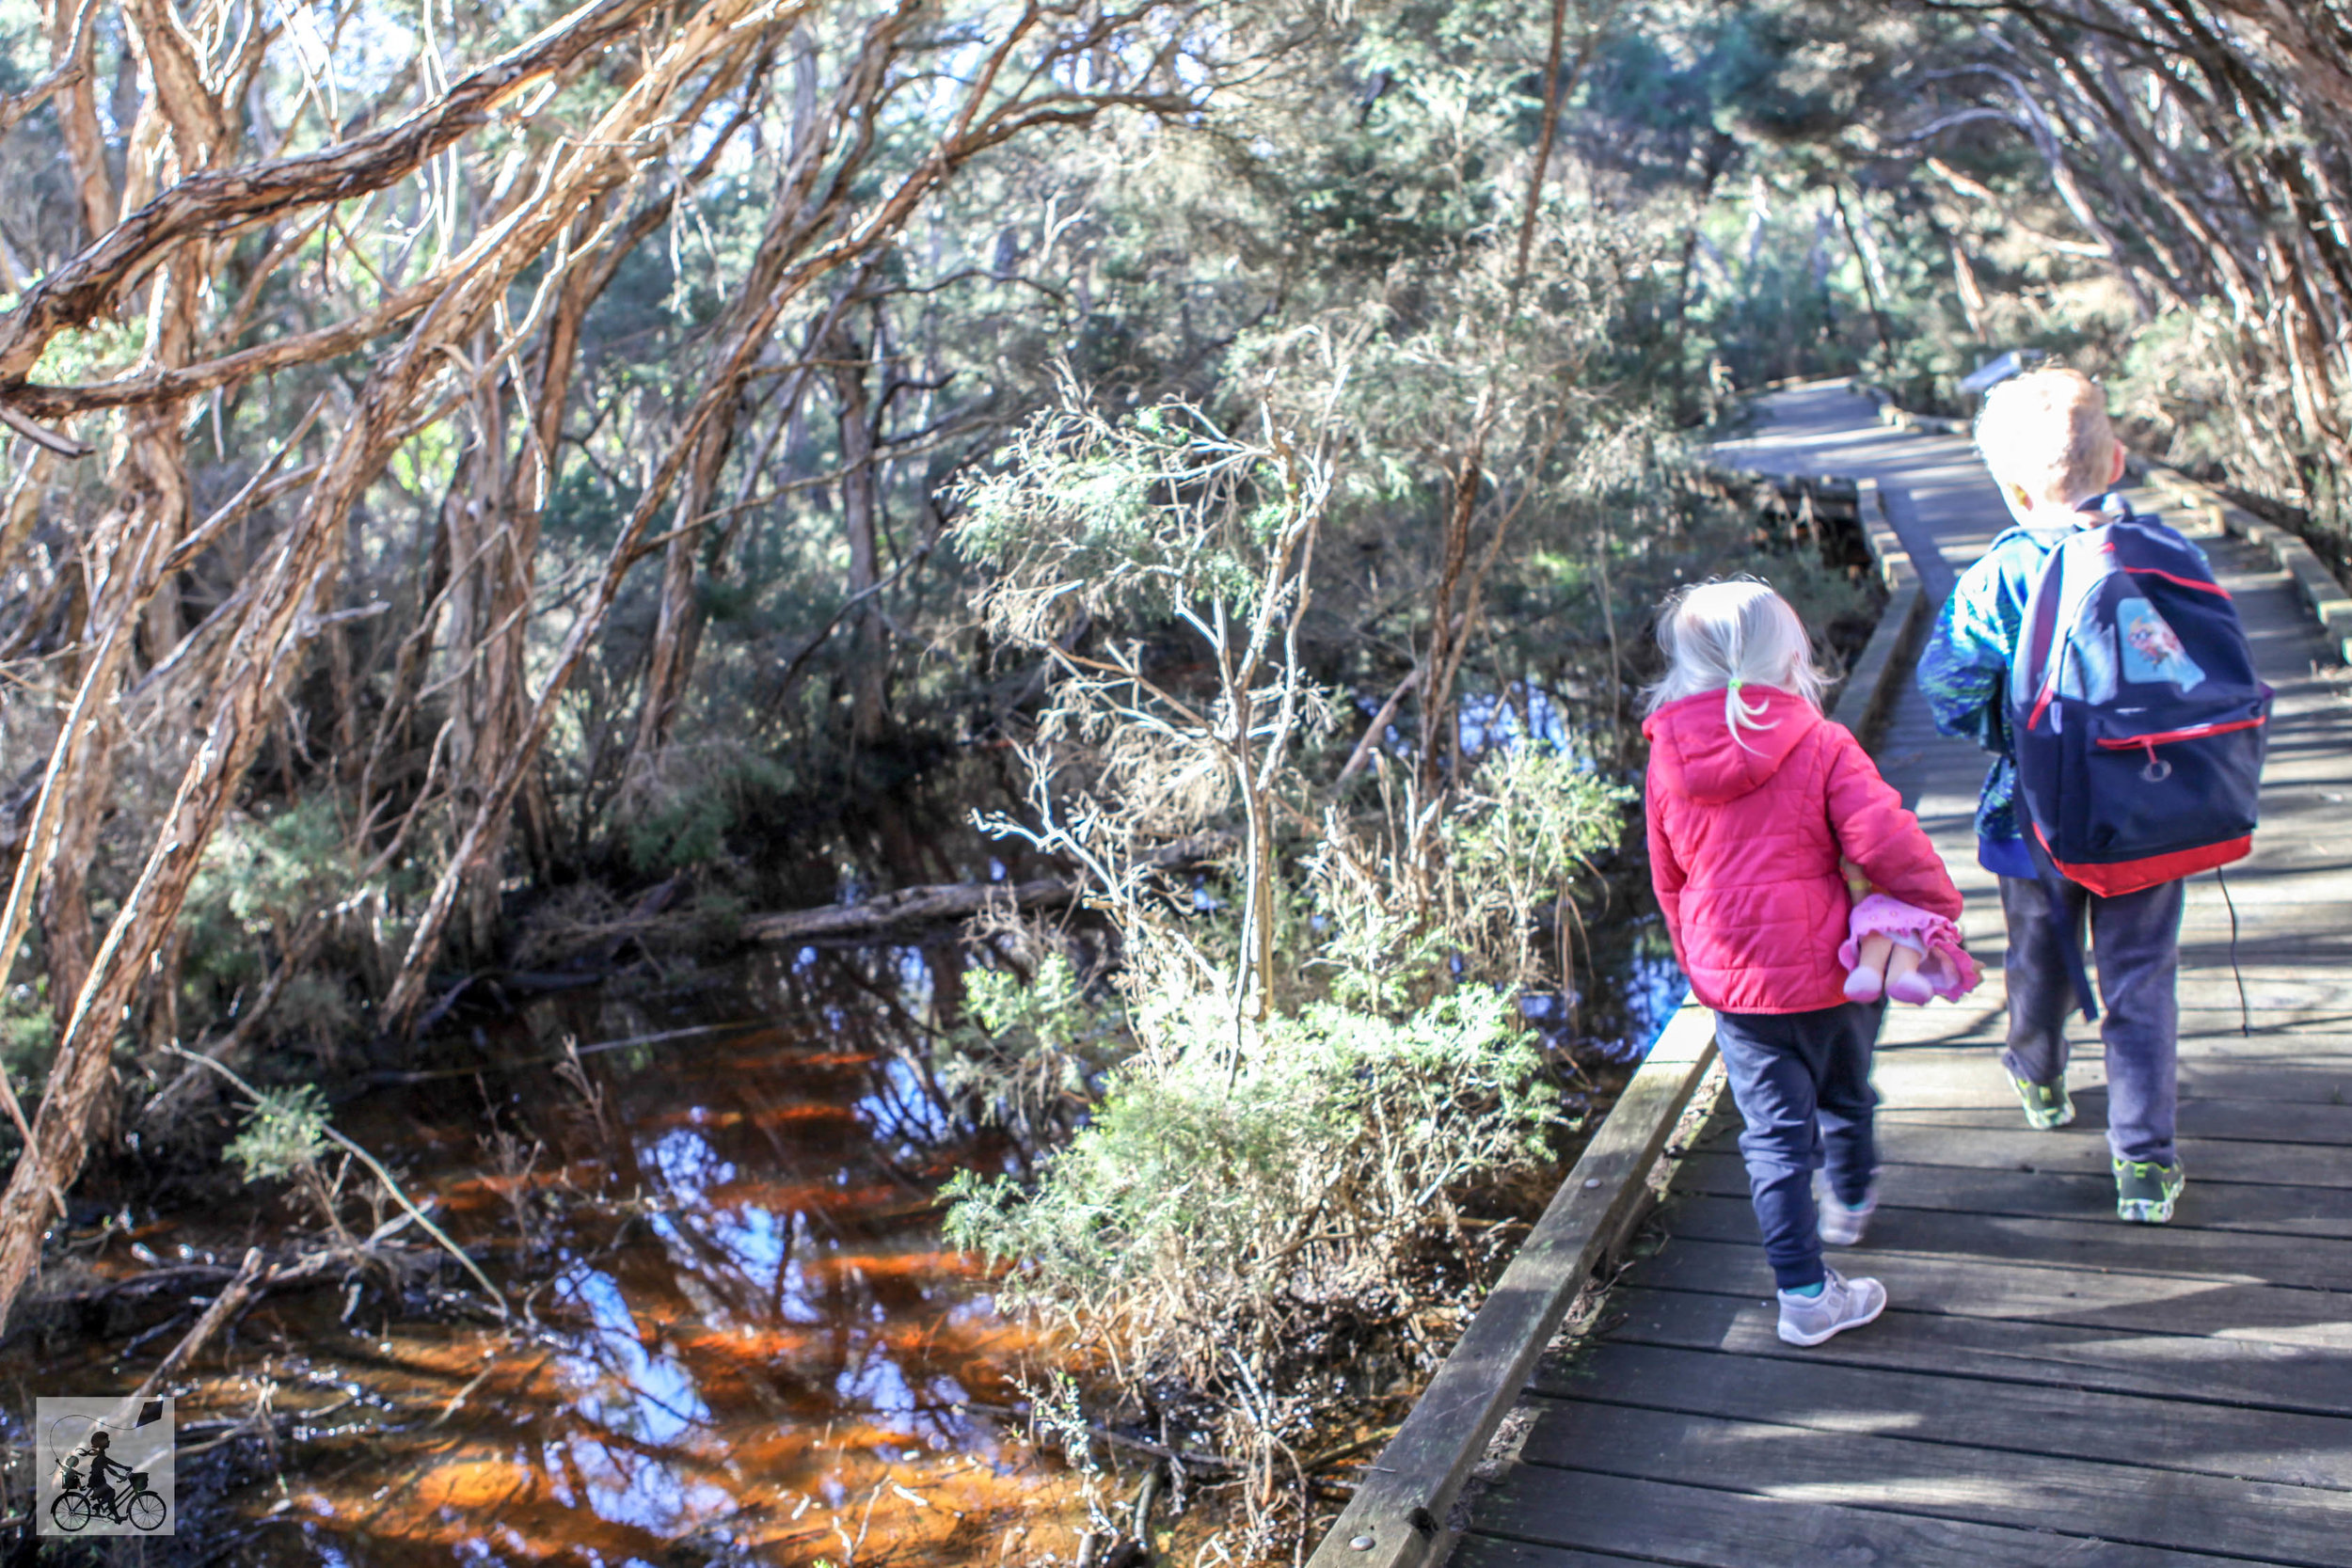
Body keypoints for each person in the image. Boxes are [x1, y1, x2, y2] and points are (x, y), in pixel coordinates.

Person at [1645, 580, 1964, 1346]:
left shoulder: (1667, 757)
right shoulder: (1820, 743)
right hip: (1831, 971)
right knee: (1846, 1093)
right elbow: (1885, 841)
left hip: (1738, 987)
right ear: (1790, 655)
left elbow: (1669, 879)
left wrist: (1700, 964)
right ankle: (1849, 1204)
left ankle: (1803, 1293)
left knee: (1773, 1139)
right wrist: (1939, 906)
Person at [1917, 366, 2191, 1224]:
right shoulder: (2163, 553)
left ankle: (2038, 1078)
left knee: (2039, 956)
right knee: (2140, 978)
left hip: (2031, 816)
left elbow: (1948, 690)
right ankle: (2144, 1164)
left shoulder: (1998, 577)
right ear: (2115, 463)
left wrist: (2009, 730)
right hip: (2148, 813)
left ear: (2009, 488)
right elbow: (2188, 674)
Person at [62, 1428, 134, 1514]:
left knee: (111, 1494)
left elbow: (112, 1463)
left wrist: (124, 1467)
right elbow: (110, 1467)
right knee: (111, 1493)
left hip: (99, 1478)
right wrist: (120, 1474)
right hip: (96, 1480)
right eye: (107, 1440)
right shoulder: (100, 1457)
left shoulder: (101, 1454)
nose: (109, 1441)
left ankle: (116, 1516)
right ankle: (98, 1507)